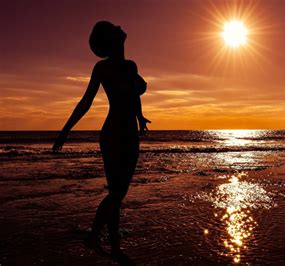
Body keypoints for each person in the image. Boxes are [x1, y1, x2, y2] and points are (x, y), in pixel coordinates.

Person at [52, 21, 151, 265]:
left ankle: (113, 246)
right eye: (114, 28)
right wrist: (65, 130)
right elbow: (86, 101)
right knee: (116, 193)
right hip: (113, 134)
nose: (120, 27)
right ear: (112, 39)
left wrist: (139, 119)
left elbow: (133, 96)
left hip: (129, 134)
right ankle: (95, 235)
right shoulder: (102, 68)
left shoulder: (130, 66)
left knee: (118, 193)